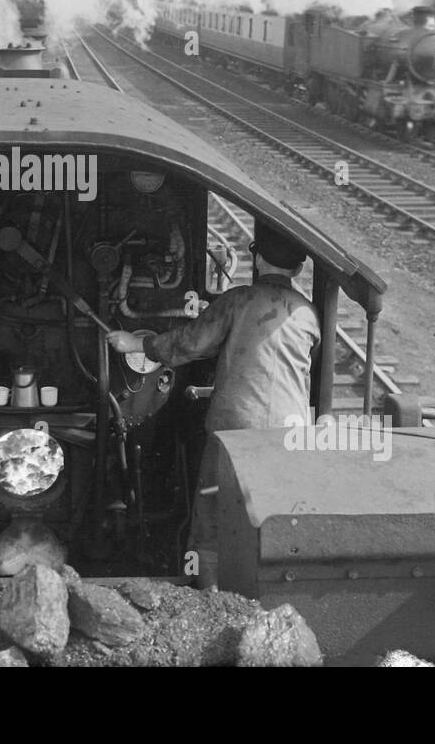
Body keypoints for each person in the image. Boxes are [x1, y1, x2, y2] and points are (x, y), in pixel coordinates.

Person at [106, 226, 320, 587]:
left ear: (257, 258)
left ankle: (209, 597)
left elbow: (191, 343)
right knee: (274, 513)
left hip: (237, 427)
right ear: (298, 270)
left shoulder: (240, 300)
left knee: (212, 515)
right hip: (290, 431)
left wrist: (134, 344)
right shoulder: (307, 313)